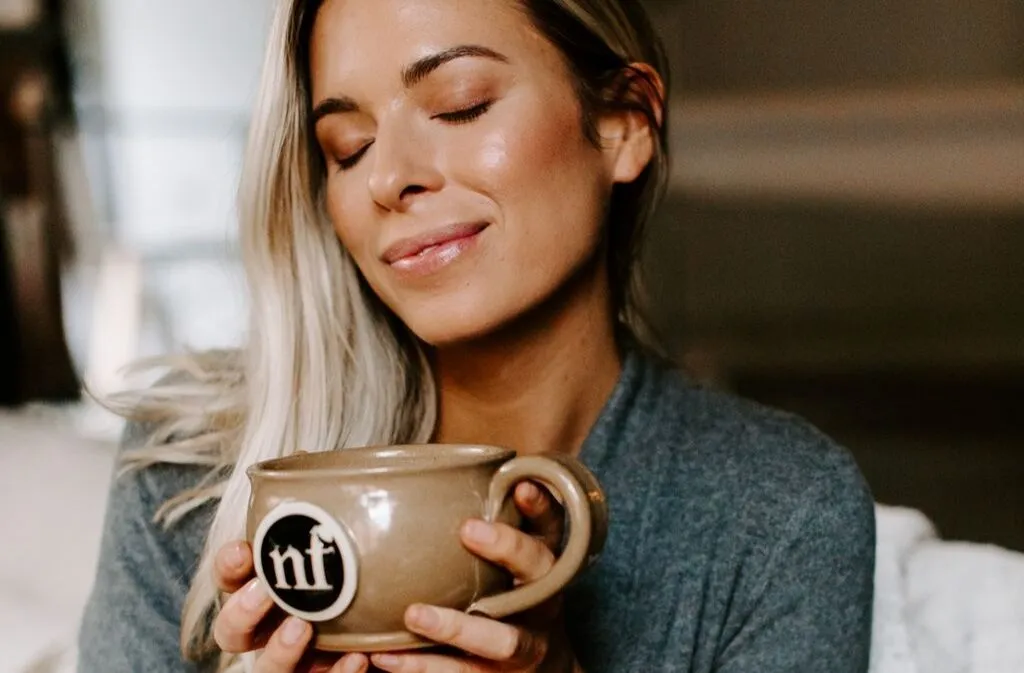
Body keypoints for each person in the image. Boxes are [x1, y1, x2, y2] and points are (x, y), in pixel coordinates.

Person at [76, 1, 876, 672]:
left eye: (460, 104)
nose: (390, 177)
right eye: (346, 149)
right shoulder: (192, 473)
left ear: (625, 122)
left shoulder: (778, 511)